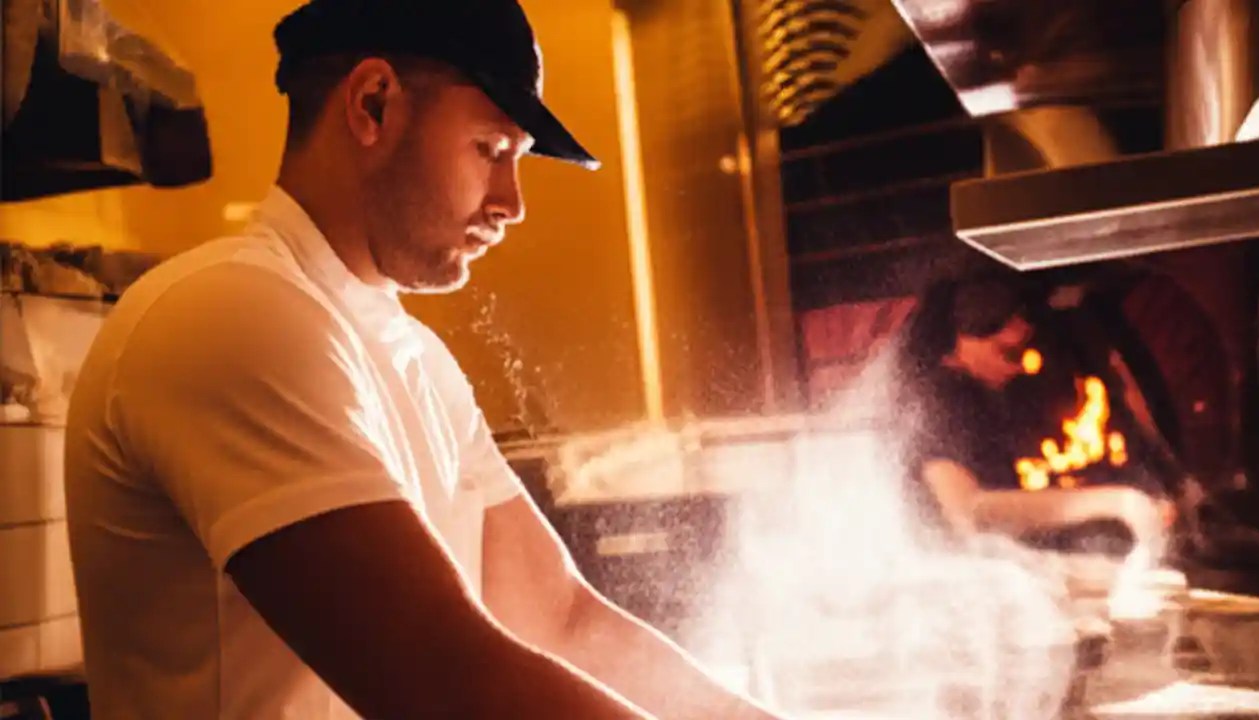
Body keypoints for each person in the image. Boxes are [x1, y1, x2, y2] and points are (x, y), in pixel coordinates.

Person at [63, 2, 785, 718]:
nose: (513, 203)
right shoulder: (229, 313)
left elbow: (560, 619)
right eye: (492, 151)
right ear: (372, 104)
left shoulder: (419, 362)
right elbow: (450, 681)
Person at [894, 276, 1167, 548]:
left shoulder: (974, 395)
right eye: (1009, 352)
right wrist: (1117, 503)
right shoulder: (945, 397)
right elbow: (968, 511)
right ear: (969, 335)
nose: (1021, 367)